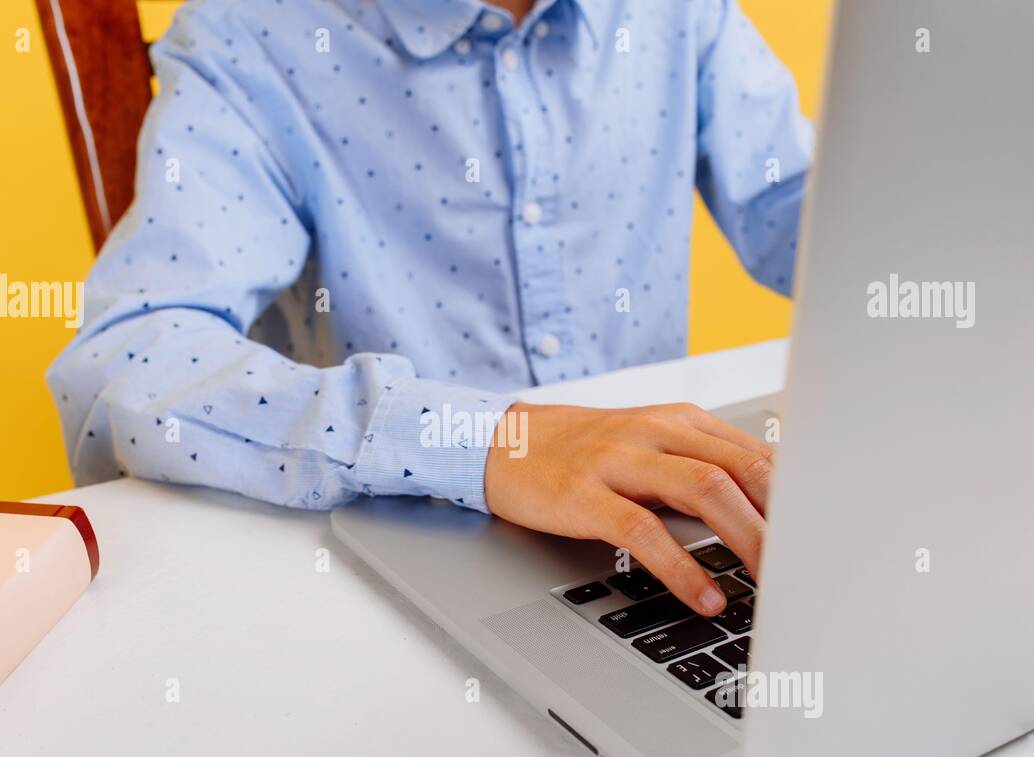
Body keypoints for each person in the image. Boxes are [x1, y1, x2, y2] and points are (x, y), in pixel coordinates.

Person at [47, 0, 812, 616]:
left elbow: (799, 212)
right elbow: (125, 364)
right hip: (394, 563)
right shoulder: (253, 33)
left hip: (674, 526)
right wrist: (482, 441)